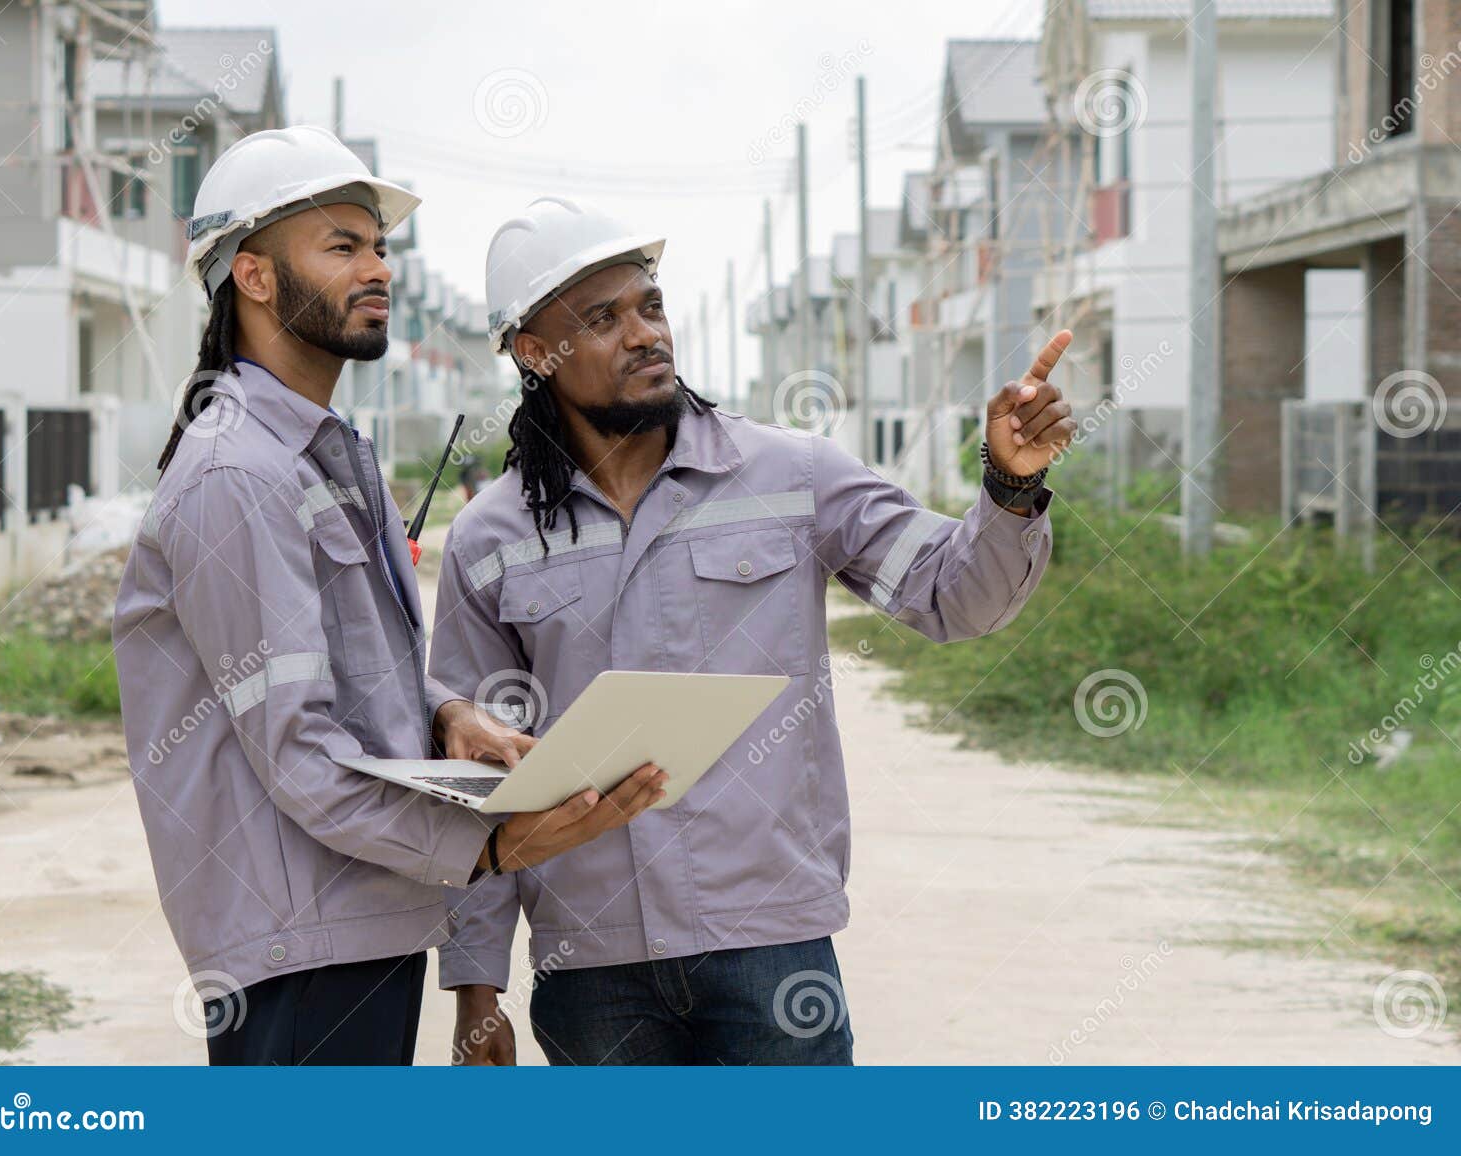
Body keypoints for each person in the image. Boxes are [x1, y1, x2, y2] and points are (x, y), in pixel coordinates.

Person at [432, 196, 1074, 1065]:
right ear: (537, 353)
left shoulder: (791, 475)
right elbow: (473, 786)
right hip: (591, 970)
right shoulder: (491, 539)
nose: (644, 334)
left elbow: (953, 597)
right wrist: (478, 992)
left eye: (649, 307)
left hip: (769, 953)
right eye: (604, 318)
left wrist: (1007, 486)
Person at [112, 136, 665, 1067]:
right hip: (296, 943)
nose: (379, 269)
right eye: (343, 247)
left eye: (380, 246)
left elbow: (335, 680)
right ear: (250, 275)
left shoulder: (317, 455)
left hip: (358, 919)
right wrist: (489, 848)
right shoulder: (236, 473)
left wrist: (443, 713)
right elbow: (294, 748)